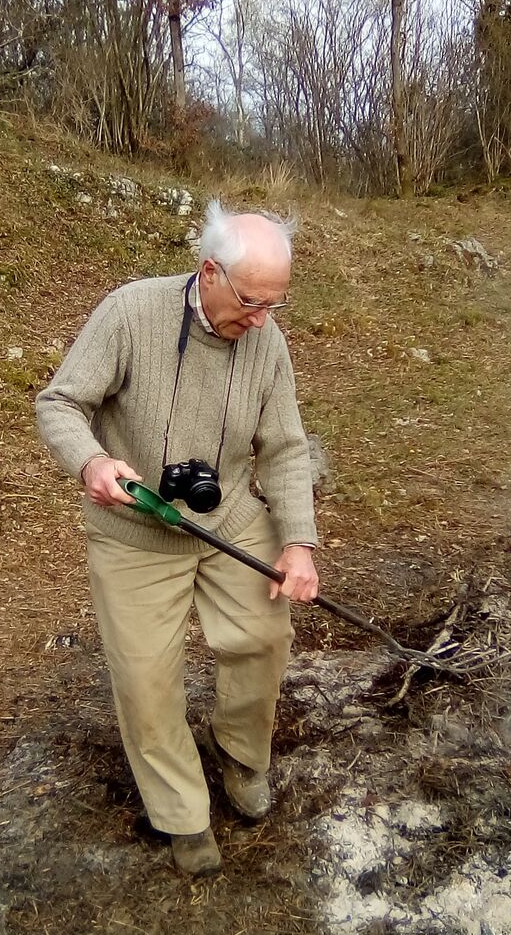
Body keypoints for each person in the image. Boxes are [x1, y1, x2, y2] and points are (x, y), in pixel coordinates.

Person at [35, 200, 318, 877]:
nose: (260, 319)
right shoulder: (132, 313)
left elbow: (283, 448)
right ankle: (182, 813)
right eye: (252, 300)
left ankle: (241, 755)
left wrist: (299, 542)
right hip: (136, 525)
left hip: (228, 517)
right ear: (209, 271)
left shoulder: (265, 339)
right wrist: (92, 461)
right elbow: (60, 402)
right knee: (147, 681)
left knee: (262, 635)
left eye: (276, 305)